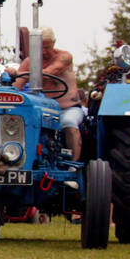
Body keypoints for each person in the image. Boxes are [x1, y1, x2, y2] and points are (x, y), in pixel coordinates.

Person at [14, 27, 83, 160]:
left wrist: (20, 73)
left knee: (69, 123)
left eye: (47, 47)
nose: (44, 52)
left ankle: (73, 165)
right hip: (43, 111)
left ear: (54, 43)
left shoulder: (64, 57)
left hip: (67, 109)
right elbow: (16, 86)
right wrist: (13, 77)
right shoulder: (29, 62)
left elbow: (50, 72)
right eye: (40, 48)